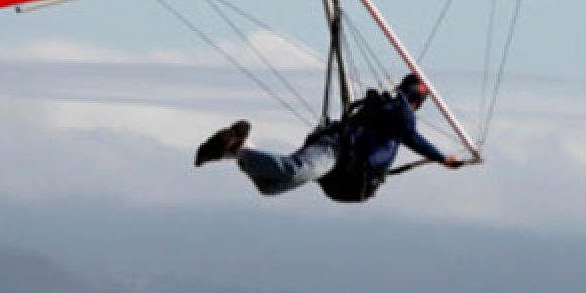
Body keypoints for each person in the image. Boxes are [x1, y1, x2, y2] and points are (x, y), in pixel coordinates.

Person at [194, 73, 463, 202]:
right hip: (335, 150)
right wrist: (442, 158)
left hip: (344, 171)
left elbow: (408, 134)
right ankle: (237, 149)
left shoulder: (395, 116)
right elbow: (413, 137)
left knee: (269, 188)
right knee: (295, 169)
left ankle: (238, 146)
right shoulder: (399, 110)